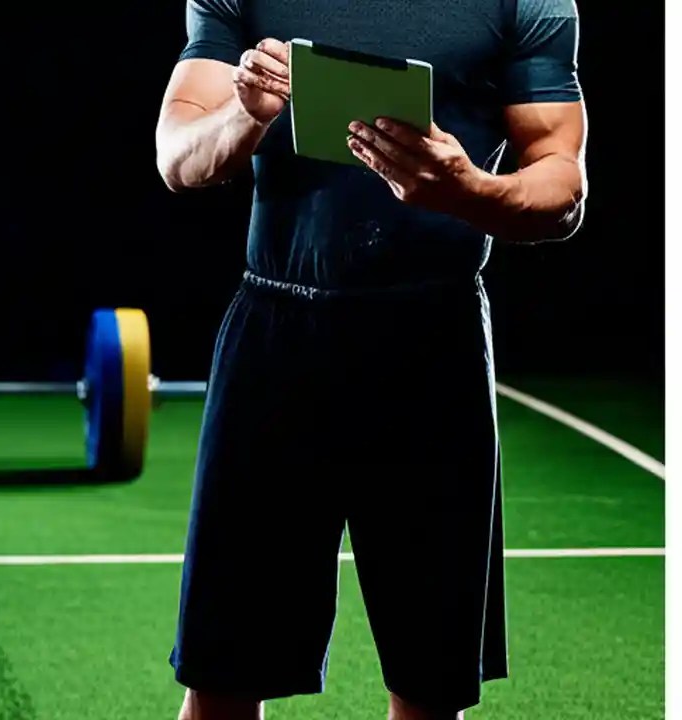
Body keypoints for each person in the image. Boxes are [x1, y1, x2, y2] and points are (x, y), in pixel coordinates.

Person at [154, 2, 586, 719]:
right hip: (277, 333)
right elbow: (176, 156)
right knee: (223, 674)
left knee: (430, 681)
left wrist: (468, 190)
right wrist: (246, 113)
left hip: (433, 341)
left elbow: (562, 183)